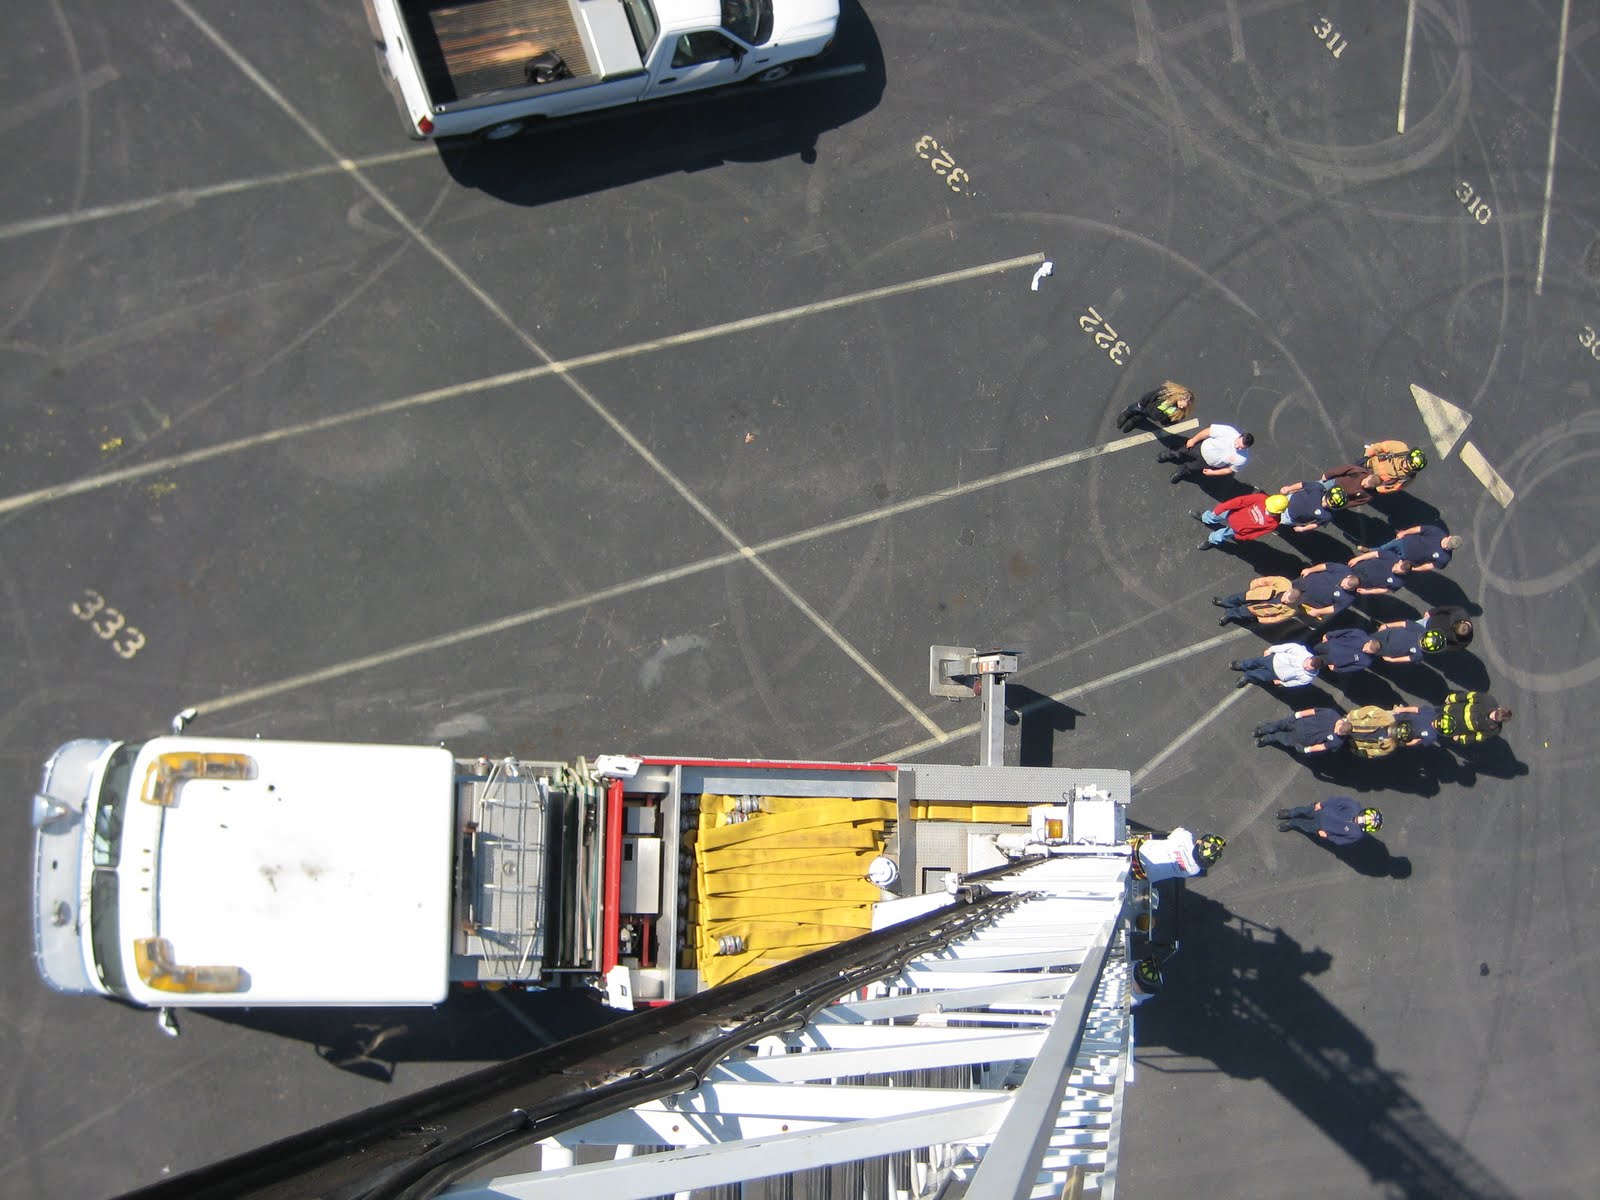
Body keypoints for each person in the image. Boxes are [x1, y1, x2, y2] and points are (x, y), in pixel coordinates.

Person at [1157, 422, 1254, 482]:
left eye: (1241, 448)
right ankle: (1167, 454)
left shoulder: (1243, 458)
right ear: (1239, 436)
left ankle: (1180, 473)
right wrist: (1193, 440)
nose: (1237, 447)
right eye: (1238, 443)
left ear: (1247, 447)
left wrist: (1213, 473)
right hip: (1201, 447)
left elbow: (1229, 470)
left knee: (1190, 468)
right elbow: (1207, 432)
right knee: (1180, 450)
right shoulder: (1228, 431)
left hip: (1207, 463)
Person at [1193, 492, 1286, 549]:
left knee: (1223, 534)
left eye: (1270, 510)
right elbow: (1240, 501)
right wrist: (1221, 508)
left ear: (1278, 512)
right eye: (1268, 505)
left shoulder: (1273, 524)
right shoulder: (1261, 498)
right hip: (1232, 513)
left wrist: (1242, 537)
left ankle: (1211, 540)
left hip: (1237, 529)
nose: (1266, 509)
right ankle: (1205, 517)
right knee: (1215, 515)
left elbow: (1256, 533)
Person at [1130, 827, 1226, 882]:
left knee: (1160, 837)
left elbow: (1176, 830)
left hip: (1134, 851)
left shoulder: (1185, 836)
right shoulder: (1194, 870)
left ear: (1199, 842)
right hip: (1139, 874)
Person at [1275, 798, 1382, 845]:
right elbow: (1337, 801)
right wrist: (1321, 804)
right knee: (1303, 810)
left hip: (1321, 827)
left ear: (1366, 828)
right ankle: (1290, 813)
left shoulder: (1356, 834)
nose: (1359, 819)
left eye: (1362, 821)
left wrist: (1327, 836)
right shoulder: (1353, 806)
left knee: (1305, 826)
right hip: (1321, 811)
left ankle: (1292, 823)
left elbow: (1340, 841)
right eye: (1363, 816)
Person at [1253, 708, 1351, 754]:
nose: (1335, 732)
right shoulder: (1331, 713)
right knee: (1279, 724)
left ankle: (1266, 739)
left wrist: (1306, 750)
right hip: (1298, 722)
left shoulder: (1337, 741)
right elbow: (1313, 711)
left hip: (1302, 739)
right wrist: (1298, 715)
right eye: (1337, 729)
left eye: (1339, 733)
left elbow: (1322, 746)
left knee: (1281, 738)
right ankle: (1263, 729)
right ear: (1341, 722)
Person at [1213, 578, 1303, 627]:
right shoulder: (1284, 583)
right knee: (1237, 598)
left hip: (1258, 610)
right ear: (1288, 591)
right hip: (1255, 594)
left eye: (1286, 602)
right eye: (1284, 598)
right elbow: (1266, 580)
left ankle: (1229, 614)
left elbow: (1277, 619)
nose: (1283, 601)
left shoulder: (1291, 610)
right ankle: (1225, 602)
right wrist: (1253, 586)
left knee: (1242, 612)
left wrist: (1261, 620)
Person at [1229, 643, 1322, 689]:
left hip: (1277, 675)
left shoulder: (1308, 678)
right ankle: (1241, 664)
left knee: (1261, 675)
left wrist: (1282, 683)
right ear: (1310, 658)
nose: (1305, 667)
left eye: (1307, 669)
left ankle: (1247, 676)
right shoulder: (1301, 651)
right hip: (1274, 660)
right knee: (1256, 661)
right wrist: (1271, 650)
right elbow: (1286, 647)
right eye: (1306, 664)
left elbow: (1296, 682)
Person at [1376, 524, 1462, 572]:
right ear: (1449, 537)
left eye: (1448, 548)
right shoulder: (1437, 532)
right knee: (1381, 550)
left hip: (1405, 559)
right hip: (1403, 543)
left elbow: (1429, 566)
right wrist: (1404, 533)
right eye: (1446, 543)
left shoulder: (1445, 558)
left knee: (1386, 564)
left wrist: (1415, 568)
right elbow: (1419, 529)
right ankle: (1368, 552)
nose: (1445, 546)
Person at [1117, 381, 1195, 433]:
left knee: (1141, 416)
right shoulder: (1166, 393)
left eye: (1184, 407)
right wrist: (1142, 403)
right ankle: (1125, 414)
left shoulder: (1181, 412)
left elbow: (1174, 420)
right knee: (1134, 408)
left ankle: (1133, 421)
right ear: (1180, 397)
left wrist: (1166, 423)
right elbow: (1151, 395)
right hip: (1146, 407)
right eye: (1181, 404)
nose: (1181, 407)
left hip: (1153, 415)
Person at [1438, 691, 1512, 744]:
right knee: (1435, 712)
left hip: (1456, 728)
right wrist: (1452, 698)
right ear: (1499, 708)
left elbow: (1477, 737)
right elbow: (1469, 696)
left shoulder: (1494, 730)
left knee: (1437, 731)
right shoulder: (1488, 700)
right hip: (1453, 710)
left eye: (1496, 719)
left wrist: (1462, 739)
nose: (1492, 717)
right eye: (1495, 714)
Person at [1295, 563, 1361, 622]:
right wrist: (1310, 570)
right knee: (1288, 593)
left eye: (1345, 588)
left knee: (1293, 607)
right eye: (1344, 583)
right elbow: (1324, 566)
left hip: (1311, 601)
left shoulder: (1349, 598)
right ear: (1348, 576)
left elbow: (1334, 608)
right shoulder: (1343, 569)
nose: (1342, 586)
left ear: (1353, 589)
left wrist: (1317, 611)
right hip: (1306, 582)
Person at [1277, 480, 1346, 533]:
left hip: (1289, 517)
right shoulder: (1317, 488)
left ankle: (1273, 526)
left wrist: (1302, 529)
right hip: (1287, 500)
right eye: (1325, 500)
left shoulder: (1327, 516)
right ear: (1327, 493)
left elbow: (1316, 524)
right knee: (1272, 506)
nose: (1325, 504)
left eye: (1329, 506)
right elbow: (1302, 485)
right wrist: (1288, 489)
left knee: (1277, 521)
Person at [1347, 705, 1412, 758]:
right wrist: (1351, 716)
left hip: (1354, 743)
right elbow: (1369, 710)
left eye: (1392, 734)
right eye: (1392, 729)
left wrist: (1360, 752)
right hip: (1349, 725)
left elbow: (1374, 753)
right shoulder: (1386, 717)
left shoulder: (1390, 746)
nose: (1389, 732)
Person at [1362, 441, 1427, 493]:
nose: (1404, 466)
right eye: (1405, 462)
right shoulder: (1400, 448)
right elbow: (1380, 446)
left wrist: (1378, 489)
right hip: (1368, 464)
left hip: (1376, 482)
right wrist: (1367, 454)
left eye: (1408, 468)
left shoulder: (1408, 477)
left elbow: (1394, 487)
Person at [1311, 628, 1381, 674]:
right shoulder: (1360, 634)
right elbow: (1343, 632)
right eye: (1366, 647)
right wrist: (1329, 635)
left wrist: (1336, 669)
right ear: (1370, 641)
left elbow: (1351, 668)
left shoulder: (1366, 661)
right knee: (1313, 648)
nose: (1364, 650)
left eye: (1367, 651)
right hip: (1329, 646)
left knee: (1314, 664)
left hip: (1331, 660)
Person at [1373, 621, 1446, 664]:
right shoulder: (1419, 629)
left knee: (1371, 650)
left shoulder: (1419, 654)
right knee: (1370, 638)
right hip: (1387, 634)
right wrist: (1386, 625)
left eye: (1423, 644)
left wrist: (1392, 660)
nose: (1421, 643)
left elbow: (1407, 658)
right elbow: (1403, 623)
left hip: (1387, 650)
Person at [1348, 548, 1412, 596]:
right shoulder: (1391, 556)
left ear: (1404, 573)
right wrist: (1357, 559)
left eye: (1398, 572)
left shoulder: (1399, 582)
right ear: (1400, 561)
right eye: (1396, 568)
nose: (1394, 570)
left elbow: (1385, 589)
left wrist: (1367, 591)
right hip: (1357, 568)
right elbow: (1374, 554)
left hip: (1361, 584)